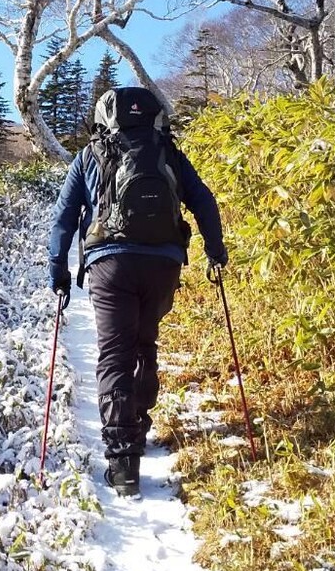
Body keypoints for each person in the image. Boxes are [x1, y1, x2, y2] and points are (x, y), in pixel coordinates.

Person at [48, 86, 228, 497]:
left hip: (109, 264)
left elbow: (63, 217)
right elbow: (204, 201)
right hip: (163, 262)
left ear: (103, 118)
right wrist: (216, 253)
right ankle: (139, 423)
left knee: (115, 352)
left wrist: (58, 271)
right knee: (145, 345)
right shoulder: (168, 152)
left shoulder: (89, 156)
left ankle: (122, 460)